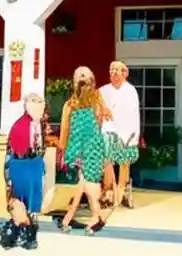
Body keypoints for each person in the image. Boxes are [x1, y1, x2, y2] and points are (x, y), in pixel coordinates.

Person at [56, 66, 113, 234]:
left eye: (85, 75)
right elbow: (65, 128)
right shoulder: (70, 104)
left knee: (88, 181)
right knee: (85, 182)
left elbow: (102, 120)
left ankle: (74, 217)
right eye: (79, 75)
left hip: (92, 145)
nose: (82, 78)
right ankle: (95, 216)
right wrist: (62, 148)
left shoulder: (97, 99)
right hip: (76, 146)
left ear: (92, 80)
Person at [0, 92, 47, 250]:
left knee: (34, 201)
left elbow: (41, 147)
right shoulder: (20, 125)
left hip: (34, 165)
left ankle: (30, 233)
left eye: (40, 104)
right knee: (18, 199)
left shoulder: (40, 125)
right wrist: (8, 174)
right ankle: (16, 230)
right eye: (35, 104)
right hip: (20, 164)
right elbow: (11, 151)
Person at [100, 61, 141, 209]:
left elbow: (133, 114)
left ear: (125, 73)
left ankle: (121, 192)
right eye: (112, 70)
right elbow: (97, 107)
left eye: (117, 70)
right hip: (108, 131)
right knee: (107, 162)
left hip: (126, 131)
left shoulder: (130, 91)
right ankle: (108, 192)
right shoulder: (103, 90)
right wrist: (103, 110)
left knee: (124, 164)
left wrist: (133, 135)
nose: (114, 73)